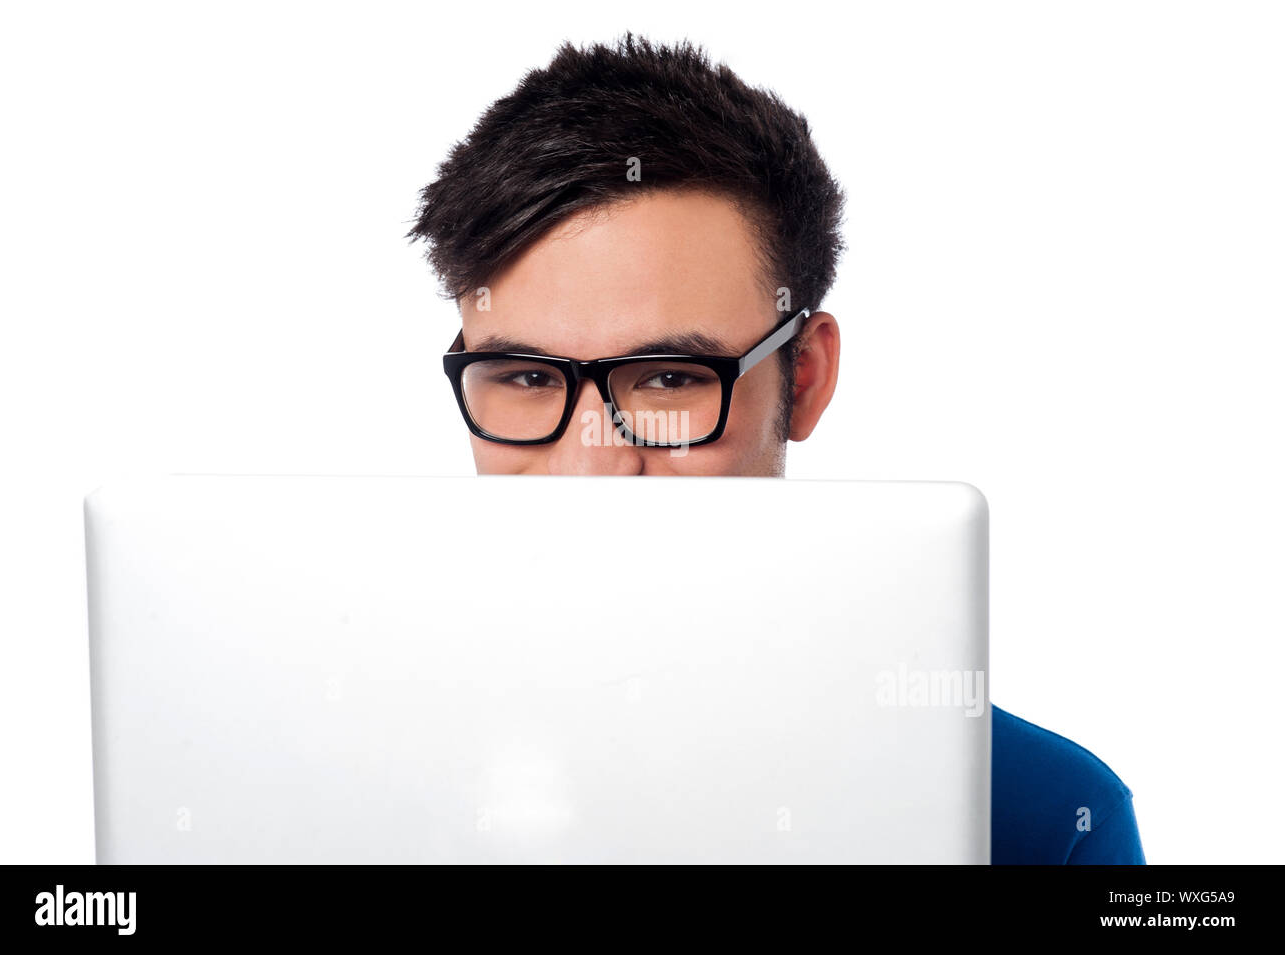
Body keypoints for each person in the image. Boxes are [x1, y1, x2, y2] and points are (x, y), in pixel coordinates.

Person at [407, 32, 1144, 864]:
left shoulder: (1035, 815)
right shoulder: (325, 754)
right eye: (529, 378)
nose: (588, 465)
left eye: (665, 378)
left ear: (804, 379)